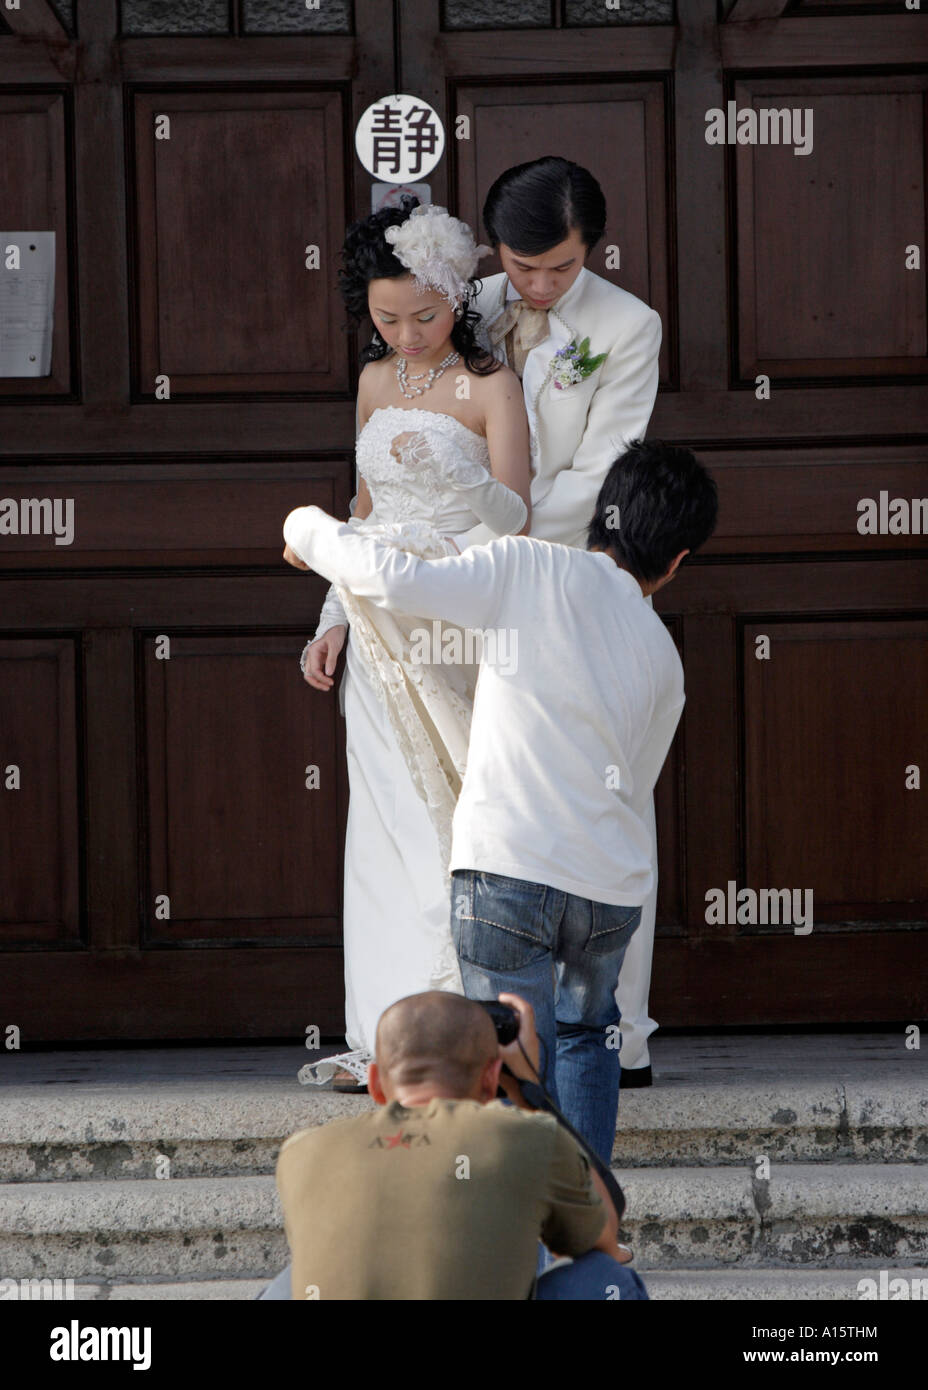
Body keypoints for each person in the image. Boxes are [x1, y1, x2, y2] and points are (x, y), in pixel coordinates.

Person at [283, 440, 718, 1161]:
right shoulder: (664, 657)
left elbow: (395, 578)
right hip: (607, 891)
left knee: (506, 1051)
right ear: (677, 561)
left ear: (602, 517)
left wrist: (304, 526)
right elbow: (633, 786)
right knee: (587, 1039)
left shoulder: (531, 567)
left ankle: (510, 1213)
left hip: (507, 869)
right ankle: (586, 1211)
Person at [296, 197, 531, 1091]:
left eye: (424, 316)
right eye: (387, 319)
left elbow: (516, 520)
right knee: (382, 824)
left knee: (456, 817)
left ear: (456, 297)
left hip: (451, 621)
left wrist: (455, 501)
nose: (406, 335)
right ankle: (383, 1034)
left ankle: (459, 1031)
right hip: (372, 624)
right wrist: (330, 620)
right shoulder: (372, 383)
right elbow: (360, 518)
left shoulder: (491, 385)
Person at [467, 156, 664, 1089]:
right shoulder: (461, 306)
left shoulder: (628, 326)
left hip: (572, 579)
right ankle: (490, 1037)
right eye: (522, 266)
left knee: (597, 798)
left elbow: (605, 470)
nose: (539, 285)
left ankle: (617, 1032)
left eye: (562, 268)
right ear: (494, 249)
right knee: (490, 801)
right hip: (471, 587)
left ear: (592, 250)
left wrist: (499, 528)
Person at [260, 991, 647, 1300]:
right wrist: (529, 1090)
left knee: (290, 1281)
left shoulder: (303, 1150)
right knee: (606, 1277)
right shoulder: (527, 1134)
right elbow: (601, 1240)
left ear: (374, 1083)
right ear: (491, 1078)